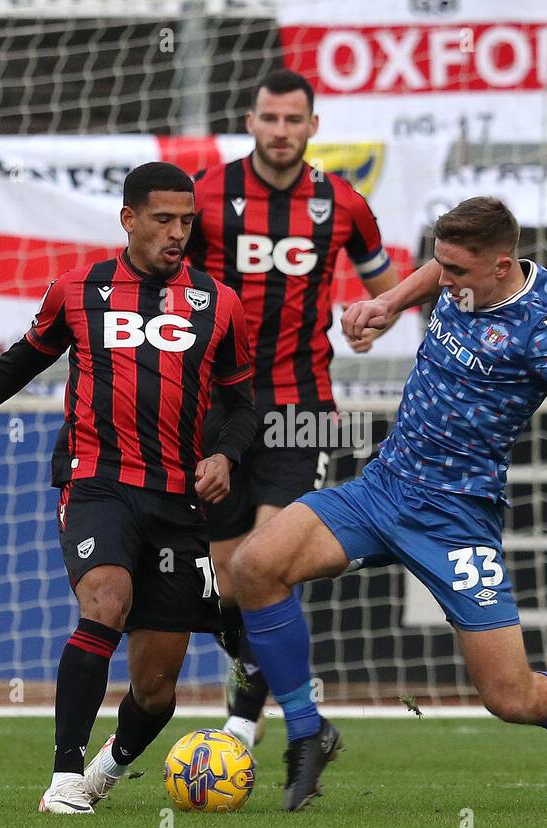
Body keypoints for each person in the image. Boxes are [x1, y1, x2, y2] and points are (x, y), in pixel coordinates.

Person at [229, 197, 547, 811]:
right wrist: (390, 303)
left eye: (457, 272)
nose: (443, 281)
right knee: (255, 565)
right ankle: (308, 731)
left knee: (511, 696)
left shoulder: (537, 331)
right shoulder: (463, 274)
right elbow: (434, 271)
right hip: (382, 488)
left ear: (501, 266)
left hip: (456, 520)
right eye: (440, 266)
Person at [0, 162, 255, 814]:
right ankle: (62, 776)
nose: (177, 233)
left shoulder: (219, 303)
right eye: (163, 219)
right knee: (106, 600)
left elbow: (244, 405)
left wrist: (225, 455)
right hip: (97, 483)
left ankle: (105, 772)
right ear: (128, 219)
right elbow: (11, 369)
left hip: (177, 501)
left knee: (157, 687)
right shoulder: (79, 291)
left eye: (187, 221)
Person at [184, 69, 400, 751]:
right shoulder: (208, 197)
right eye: (269, 119)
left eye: (293, 120)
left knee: (263, 561)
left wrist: (372, 319)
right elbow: (169, 286)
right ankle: (256, 702)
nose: (281, 131)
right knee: (226, 585)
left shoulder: (343, 203)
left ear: (313, 127)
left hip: (299, 406)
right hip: (217, 410)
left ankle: (244, 728)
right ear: (250, 122)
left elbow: (384, 288)